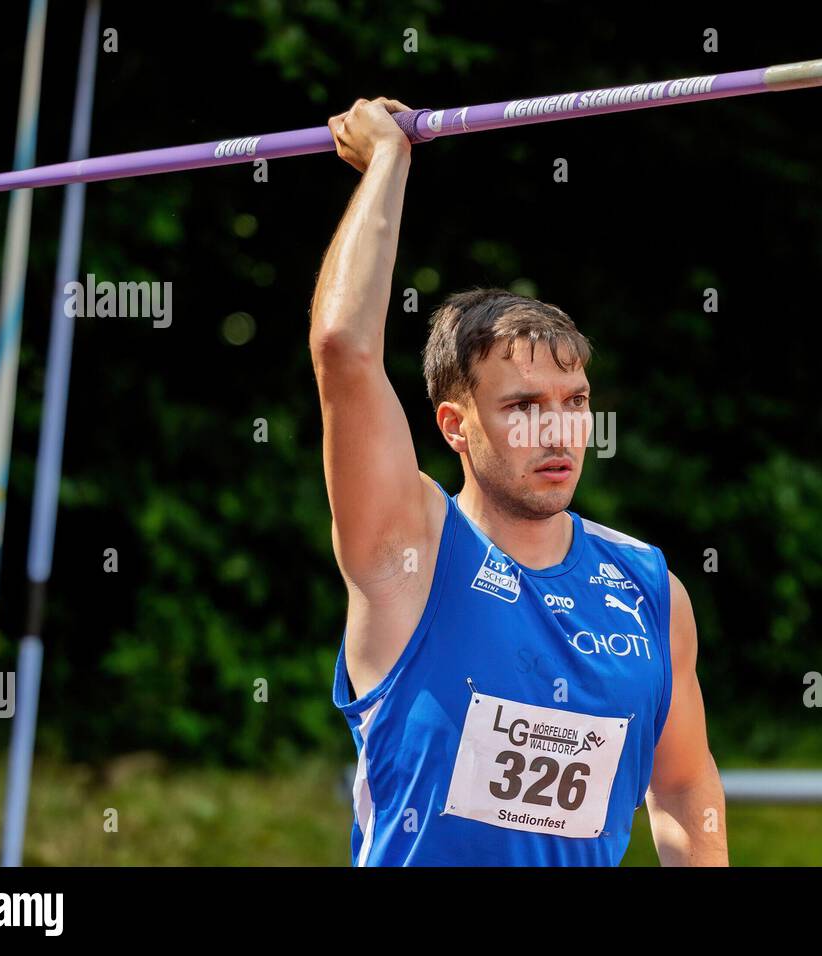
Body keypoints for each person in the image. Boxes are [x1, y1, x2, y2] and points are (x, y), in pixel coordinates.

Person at [310, 96, 728, 866]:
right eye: (523, 406)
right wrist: (388, 163)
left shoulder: (648, 587)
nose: (557, 429)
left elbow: (683, 785)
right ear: (454, 426)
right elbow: (343, 347)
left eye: (574, 403)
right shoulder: (409, 552)